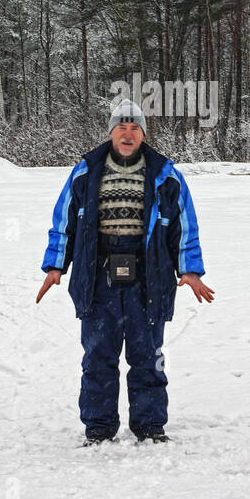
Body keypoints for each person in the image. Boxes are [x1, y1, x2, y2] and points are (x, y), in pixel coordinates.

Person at [37, 100, 215, 445]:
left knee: (148, 357)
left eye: (135, 128)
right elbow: (63, 222)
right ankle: (99, 429)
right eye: (122, 127)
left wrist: (189, 269)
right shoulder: (85, 172)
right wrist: (56, 264)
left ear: (144, 135)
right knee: (98, 357)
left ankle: (149, 426)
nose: (128, 134)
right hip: (98, 279)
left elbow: (185, 226)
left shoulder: (165, 175)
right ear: (111, 132)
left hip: (149, 279)